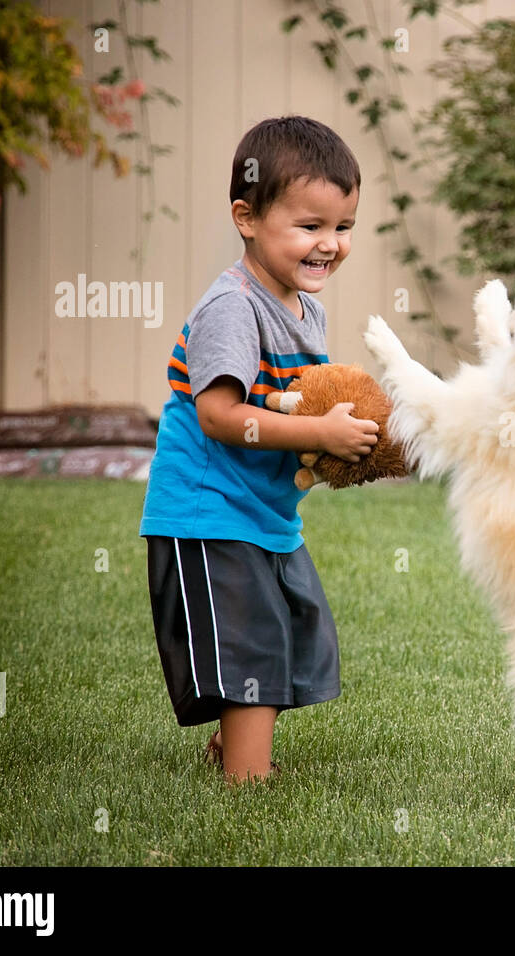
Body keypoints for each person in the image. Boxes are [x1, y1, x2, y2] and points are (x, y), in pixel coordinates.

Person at [140, 115, 379, 784]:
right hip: (207, 511)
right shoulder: (233, 307)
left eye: (344, 227)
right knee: (250, 645)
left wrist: (338, 447)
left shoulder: (306, 309)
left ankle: (233, 751)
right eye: (310, 226)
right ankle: (248, 779)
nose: (330, 244)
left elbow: (280, 403)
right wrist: (319, 435)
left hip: (264, 515)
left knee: (282, 630)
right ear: (246, 217)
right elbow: (218, 414)